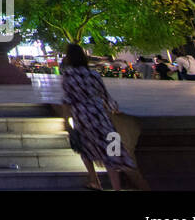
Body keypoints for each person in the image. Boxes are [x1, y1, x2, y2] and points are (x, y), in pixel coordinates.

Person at [60, 44, 145, 190]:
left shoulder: (68, 76)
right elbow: (105, 96)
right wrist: (112, 109)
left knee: (84, 149)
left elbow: (67, 100)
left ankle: (95, 181)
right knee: (109, 153)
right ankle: (116, 187)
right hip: (99, 115)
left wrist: (67, 122)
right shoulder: (93, 74)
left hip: (82, 116)